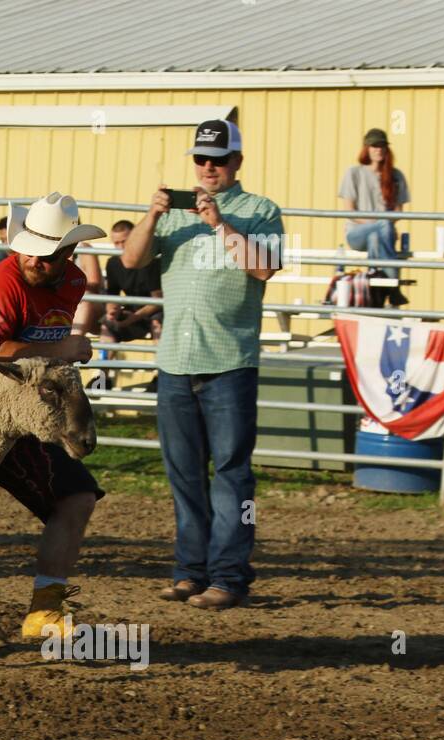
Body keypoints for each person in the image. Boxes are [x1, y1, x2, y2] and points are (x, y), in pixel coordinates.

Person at [121, 118, 284, 610]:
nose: (209, 167)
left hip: (230, 361)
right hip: (175, 361)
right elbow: (131, 261)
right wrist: (151, 216)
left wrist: (220, 225)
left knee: (233, 474)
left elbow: (264, 266)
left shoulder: (260, 210)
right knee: (184, 475)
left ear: (237, 162)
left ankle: (230, 575)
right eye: (201, 159)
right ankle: (191, 571)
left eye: (219, 159)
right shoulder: (172, 214)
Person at [0, 192, 106, 637]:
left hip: (32, 417)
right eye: (30, 252)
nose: (34, 261)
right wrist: (61, 350)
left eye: (46, 255)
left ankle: (44, 612)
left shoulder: (73, 283)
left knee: (77, 496)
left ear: (68, 253)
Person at [339, 127, 410, 295]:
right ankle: (393, 288)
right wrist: (379, 223)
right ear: (367, 149)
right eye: (374, 146)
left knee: (375, 238)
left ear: (387, 149)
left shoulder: (396, 175)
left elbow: (399, 211)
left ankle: (375, 292)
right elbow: (349, 211)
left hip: (383, 236)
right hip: (357, 233)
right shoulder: (353, 173)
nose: (378, 149)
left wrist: (381, 225)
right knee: (382, 227)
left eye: (381, 146)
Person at [101, 219, 163, 344]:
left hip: (157, 310)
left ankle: (162, 363)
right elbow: (112, 296)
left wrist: (133, 318)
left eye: (124, 241)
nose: (121, 247)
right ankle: (105, 363)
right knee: (107, 324)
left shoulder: (150, 259)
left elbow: (158, 300)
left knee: (157, 323)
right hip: (133, 311)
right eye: (116, 243)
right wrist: (112, 311)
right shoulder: (113, 263)